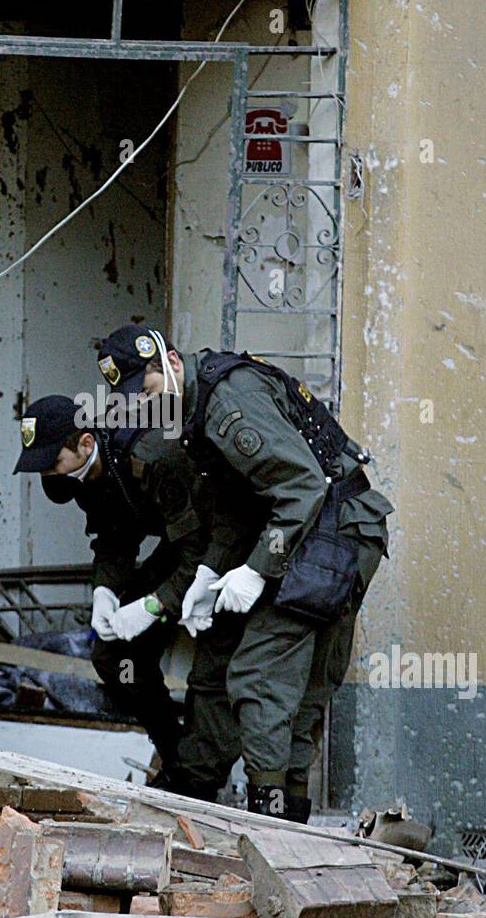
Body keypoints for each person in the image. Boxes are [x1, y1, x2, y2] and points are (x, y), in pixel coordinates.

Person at [95, 324, 394, 820]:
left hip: (332, 530)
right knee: (293, 693)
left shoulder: (227, 403)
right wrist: (206, 577)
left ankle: (270, 825)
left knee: (258, 674)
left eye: (144, 391)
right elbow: (237, 503)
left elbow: (301, 486)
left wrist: (255, 571)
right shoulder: (196, 408)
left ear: (169, 362)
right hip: (325, 529)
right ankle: (291, 831)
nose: (144, 405)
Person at [13, 393, 214, 788]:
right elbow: (115, 540)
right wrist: (105, 590)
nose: (49, 476)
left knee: (215, 676)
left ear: (85, 443)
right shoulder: (88, 475)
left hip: (226, 552)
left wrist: (155, 605)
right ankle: (178, 763)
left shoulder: (154, 454)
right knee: (115, 656)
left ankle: (205, 780)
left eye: (53, 463)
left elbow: (200, 548)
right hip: (184, 547)